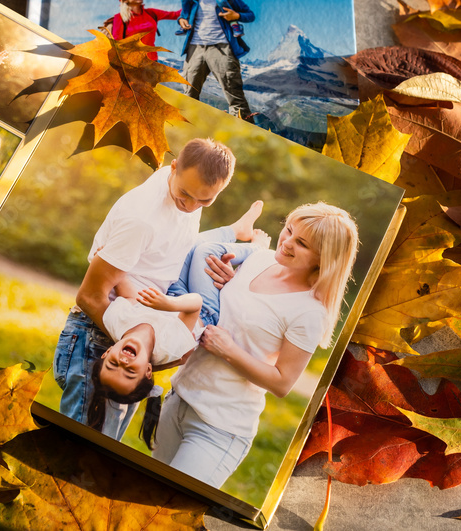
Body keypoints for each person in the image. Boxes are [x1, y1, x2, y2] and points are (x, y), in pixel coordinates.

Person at [148, 203, 359, 488]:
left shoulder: (309, 312)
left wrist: (228, 350)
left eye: (302, 243)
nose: (286, 242)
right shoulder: (259, 260)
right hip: (179, 398)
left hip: (219, 428)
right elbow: (228, 309)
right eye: (288, 230)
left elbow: (283, 383)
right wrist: (223, 283)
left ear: (323, 259)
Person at [52, 138, 239, 438]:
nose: (190, 205)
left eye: (204, 200)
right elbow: (89, 296)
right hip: (99, 337)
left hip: (137, 339)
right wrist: (141, 344)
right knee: (79, 447)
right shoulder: (141, 219)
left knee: (106, 449)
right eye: (185, 195)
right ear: (173, 167)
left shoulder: (187, 186)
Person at [177, 0, 255, 119]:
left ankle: (246, 134)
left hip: (221, 48)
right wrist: (181, 20)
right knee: (189, 92)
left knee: (234, 94)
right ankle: (189, 128)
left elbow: (250, 15)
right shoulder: (192, 0)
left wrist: (236, 15)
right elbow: (183, 16)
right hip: (195, 48)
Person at [103, 0, 180, 61]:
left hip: (152, 61)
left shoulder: (151, 13)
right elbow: (117, 43)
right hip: (132, 63)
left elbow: (175, 15)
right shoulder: (120, 18)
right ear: (125, 0)